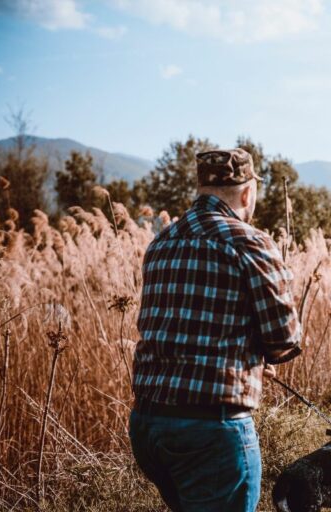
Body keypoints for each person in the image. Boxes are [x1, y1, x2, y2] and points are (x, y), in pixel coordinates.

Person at [129, 148, 302, 512]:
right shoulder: (249, 242)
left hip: (149, 424)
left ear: (201, 189)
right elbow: (284, 338)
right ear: (247, 193)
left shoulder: (160, 243)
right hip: (211, 429)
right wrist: (259, 355)